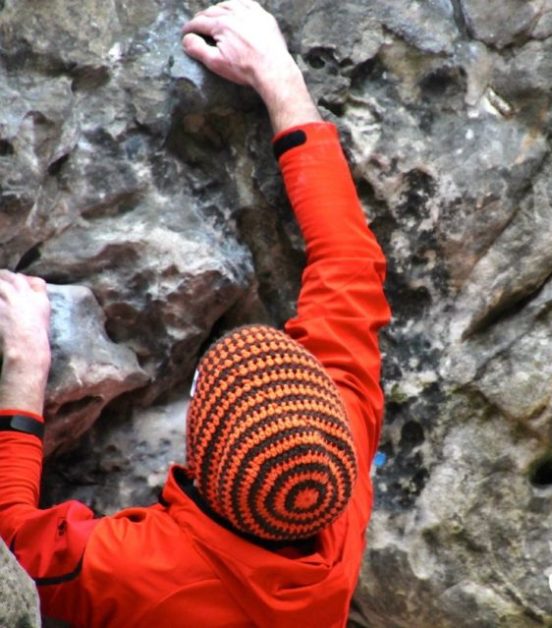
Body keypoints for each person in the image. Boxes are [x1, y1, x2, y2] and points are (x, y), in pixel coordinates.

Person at [0, 1, 391, 625]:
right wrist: (280, 79)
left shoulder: (138, 572)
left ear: (200, 451)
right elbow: (347, 262)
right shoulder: (332, 484)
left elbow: (14, 549)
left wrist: (24, 372)